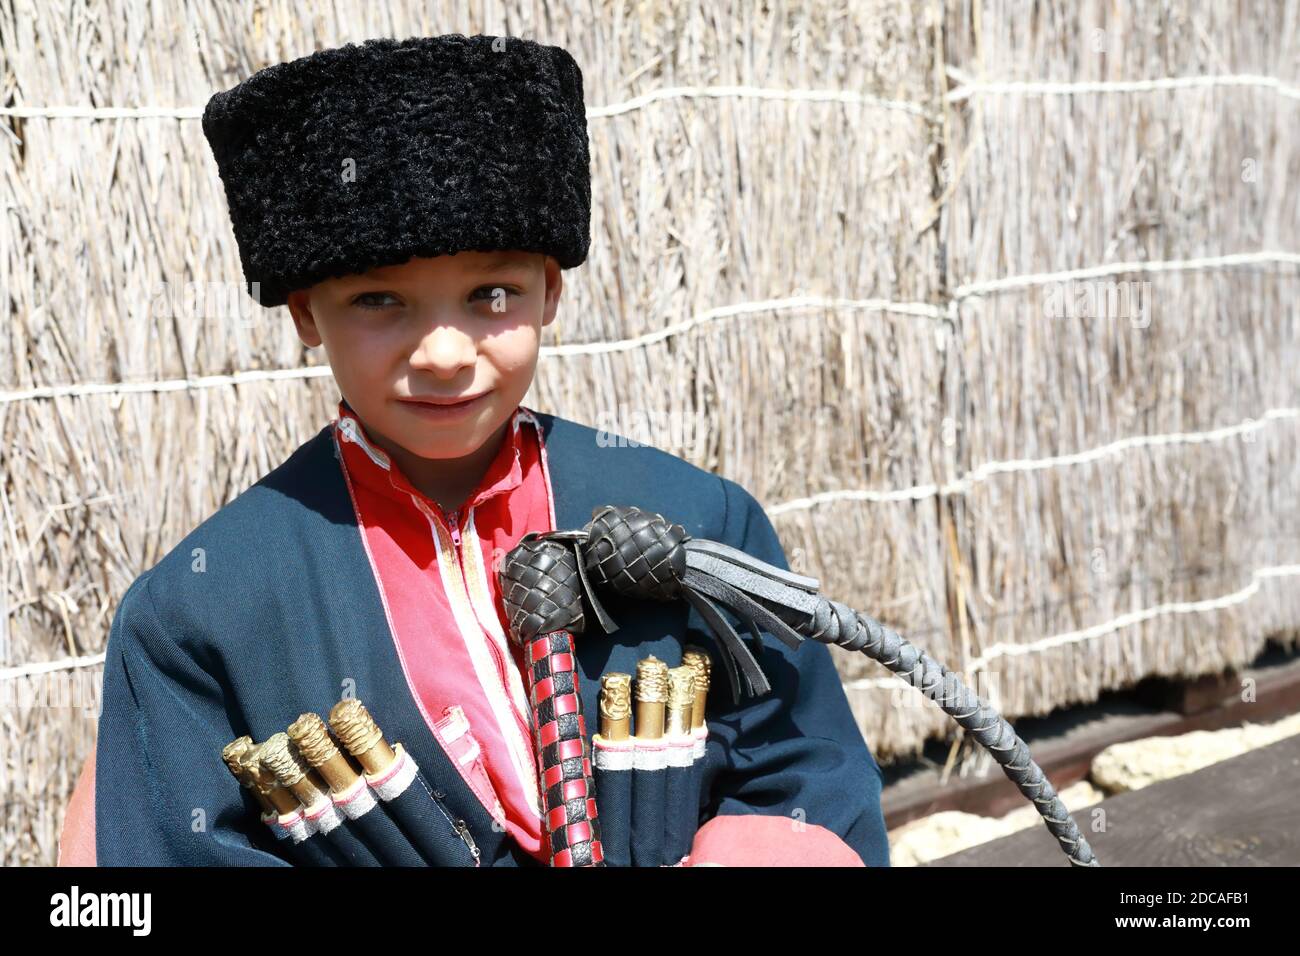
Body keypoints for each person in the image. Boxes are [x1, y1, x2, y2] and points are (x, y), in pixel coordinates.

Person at [78, 33, 890, 867]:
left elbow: (808, 776)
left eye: (489, 294)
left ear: (551, 289)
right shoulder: (202, 613)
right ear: (304, 314)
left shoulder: (701, 523)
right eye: (378, 298)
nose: (442, 352)